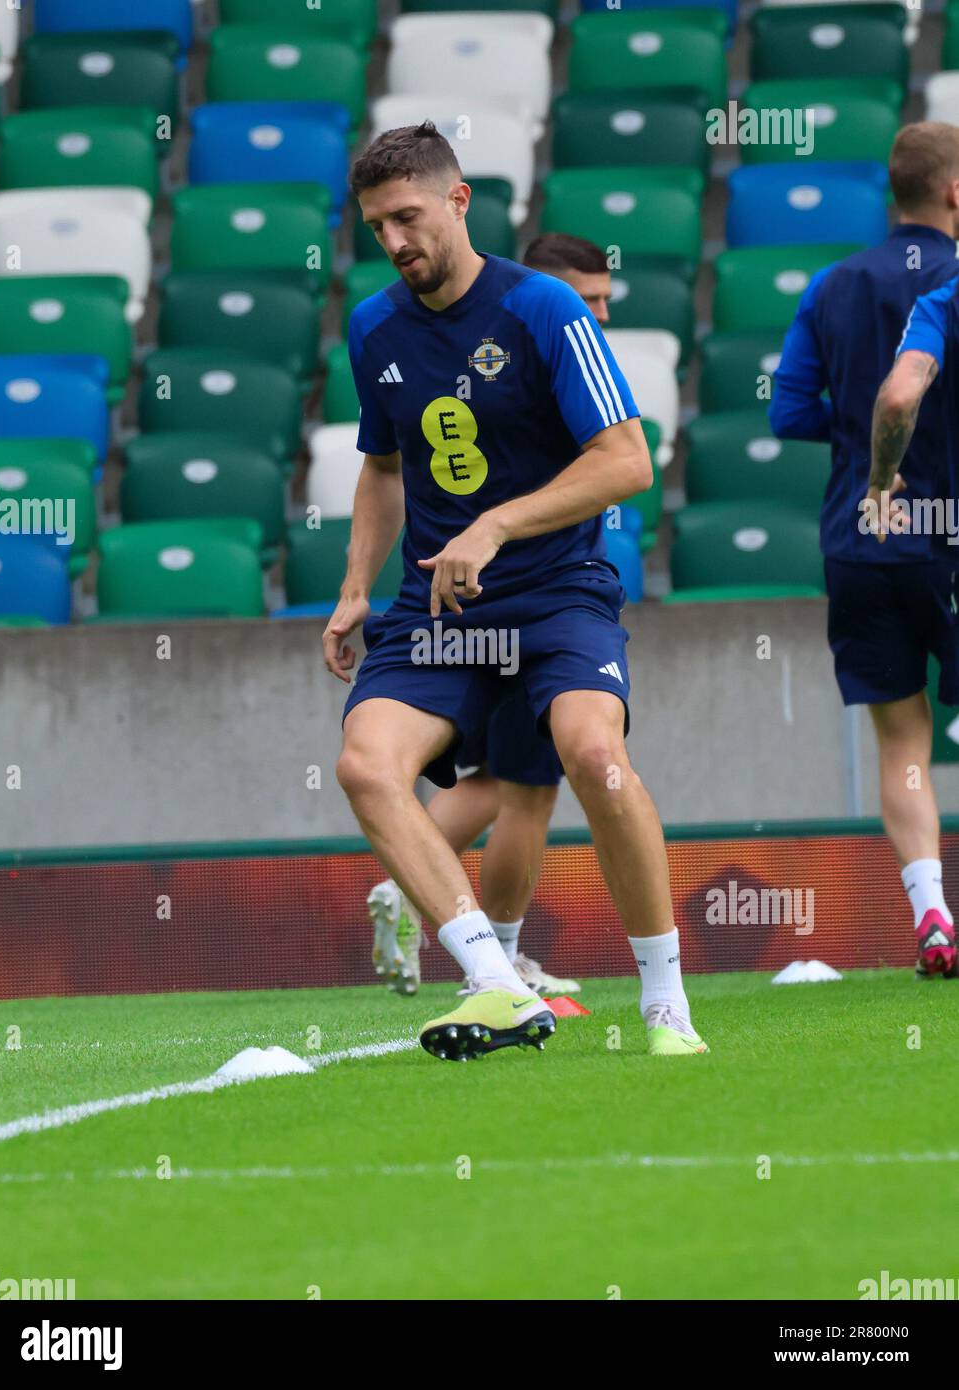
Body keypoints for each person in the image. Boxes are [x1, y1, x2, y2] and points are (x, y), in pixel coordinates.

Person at [324, 122, 707, 1059]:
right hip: (440, 609)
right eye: (377, 227)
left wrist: (495, 524)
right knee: (366, 765)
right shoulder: (373, 326)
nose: (396, 241)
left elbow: (626, 462)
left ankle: (666, 1005)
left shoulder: (543, 309)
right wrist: (351, 590)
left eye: (408, 217)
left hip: (554, 592)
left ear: (459, 201)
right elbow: (382, 467)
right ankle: (494, 980)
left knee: (592, 754)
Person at [368, 233, 615, 999]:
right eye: (589, 299)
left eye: (606, 300)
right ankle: (496, 956)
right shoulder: (530, 339)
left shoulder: (544, 346)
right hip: (522, 605)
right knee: (527, 788)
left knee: (504, 777)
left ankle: (437, 900)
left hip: (508, 605)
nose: (599, 314)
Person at [770, 122, 959, 979]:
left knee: (902, 741)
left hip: (864, 536)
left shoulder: (833, 283)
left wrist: (862, 444)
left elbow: (789, 413)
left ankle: (931, 915)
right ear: (954, 193)